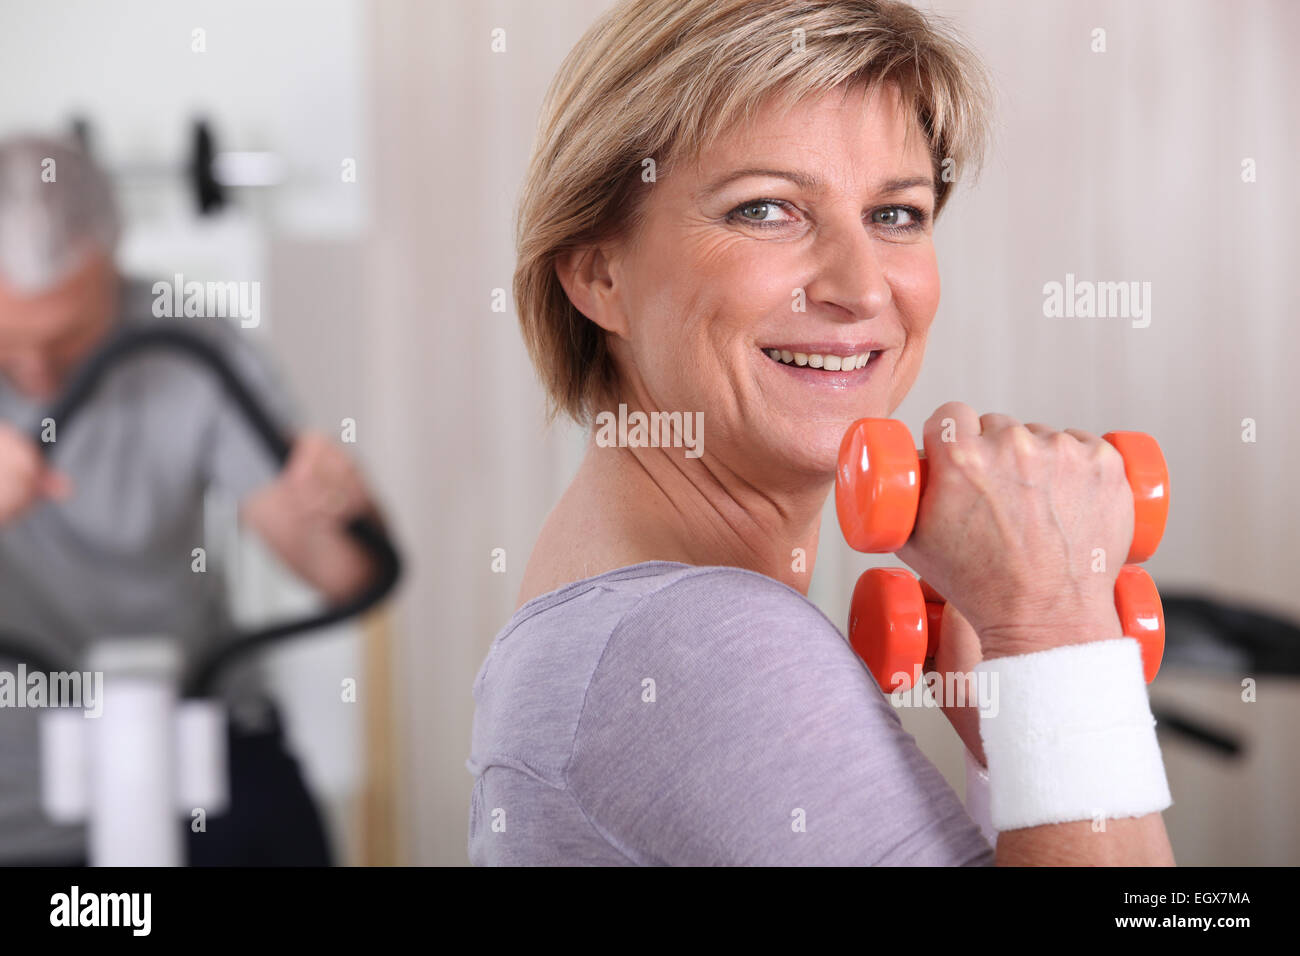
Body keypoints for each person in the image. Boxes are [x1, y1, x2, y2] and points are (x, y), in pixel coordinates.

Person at [467, 0, 1176, 865]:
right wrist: (1056, 628)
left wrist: (1024, 741)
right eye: (766, 210)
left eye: (896, 215)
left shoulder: (610, 626)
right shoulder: (707, 646)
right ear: (597, 272)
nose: (861, 287)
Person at [0, 135, 385, 865]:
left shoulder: (193, 345)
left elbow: (345, 575)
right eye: (11, 341)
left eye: (68, 338)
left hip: (195, 728)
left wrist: (343, 509)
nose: (39, 373)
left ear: (112, 266)